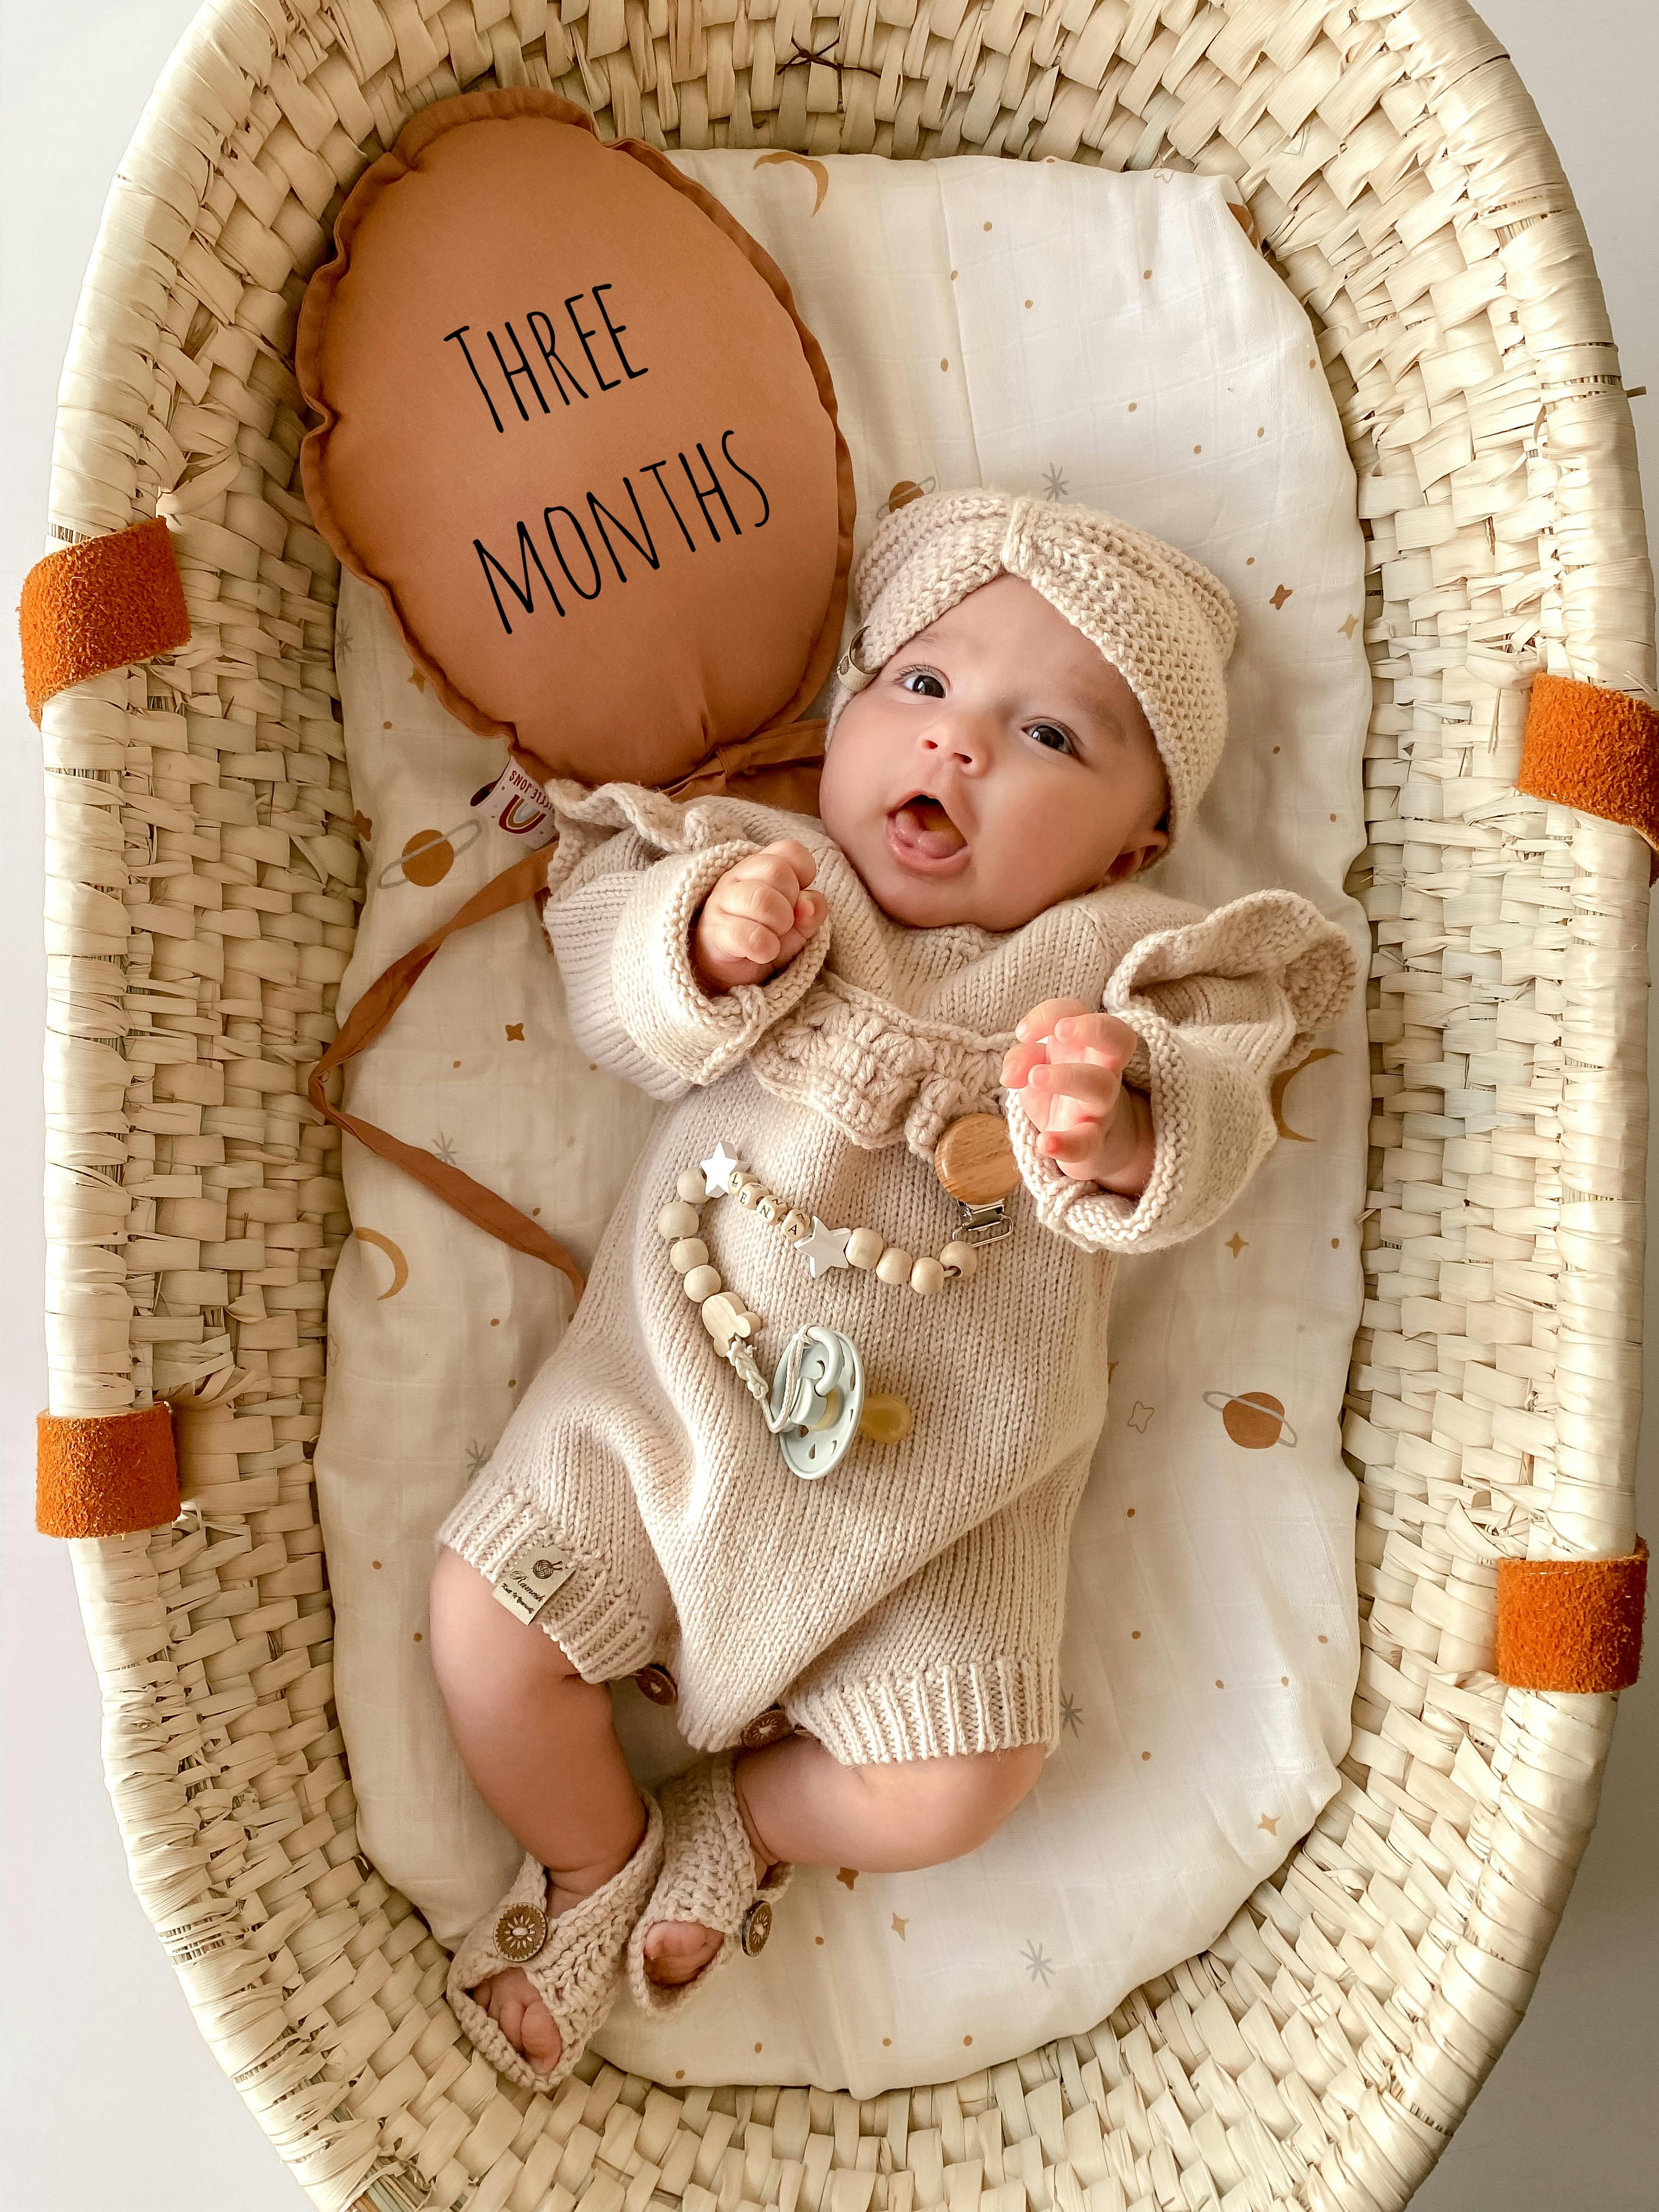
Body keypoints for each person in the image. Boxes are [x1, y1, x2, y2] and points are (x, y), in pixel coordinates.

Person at [425, 490, 1357, 2089]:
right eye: (921, 688)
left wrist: (1124, 1119)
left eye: (1051, 733)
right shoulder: (772, 874)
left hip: (938, 1512)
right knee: (482, 1628)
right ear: (848, 715)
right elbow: (607, 990)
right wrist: (700, 949)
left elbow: (1224, 1128)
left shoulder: (1131, 968)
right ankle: (592, 1863)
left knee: (959, 1782)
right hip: (663, 1415)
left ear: (1139, 842)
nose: (961, 745)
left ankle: (751, 1819)